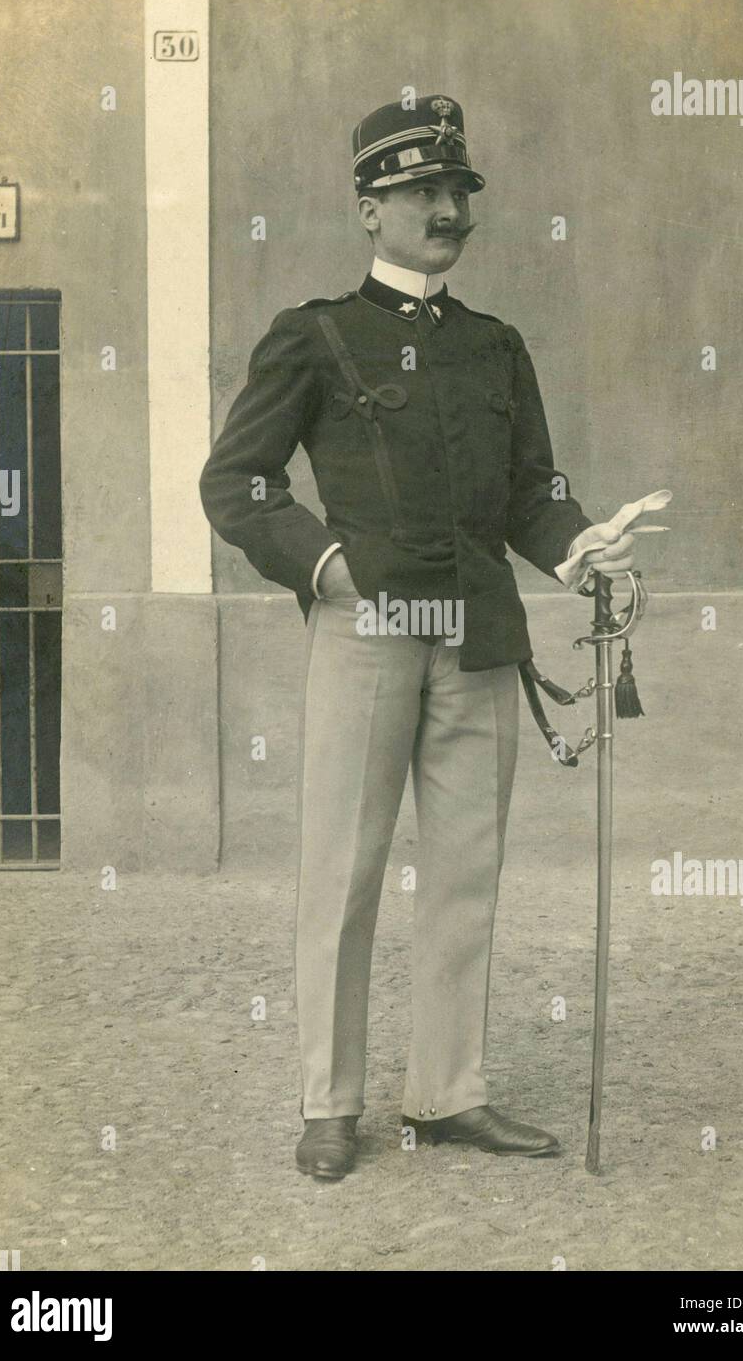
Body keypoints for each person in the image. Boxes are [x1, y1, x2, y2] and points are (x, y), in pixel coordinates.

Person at [199, 94, 635, 1180]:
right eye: (419, 191)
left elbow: (533, 493)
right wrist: (325, 567)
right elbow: (237, 482)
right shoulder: (315, 335)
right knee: (342, 875)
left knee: (464, 875)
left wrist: (586, 550)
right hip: (369, 636)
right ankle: (328, 1104)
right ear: (368, 209)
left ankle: (448, 1094)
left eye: (456, 191)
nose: (446, 208)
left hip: (482, 640)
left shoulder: (495, 347)